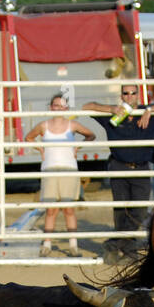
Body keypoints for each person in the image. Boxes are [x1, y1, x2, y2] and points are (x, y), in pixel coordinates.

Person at [83, 85, 154, 259]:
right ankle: (126, 249)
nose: (129, 96)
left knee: (139, 211)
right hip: (118, 166)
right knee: (121, 210)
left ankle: (116, 244)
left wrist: (149, 110)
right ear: (121, 96)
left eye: (133, 93)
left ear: (138, 95)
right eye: (126, 93)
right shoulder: (113, 114)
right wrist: (112, 109)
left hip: (141, 167)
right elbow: (87, 106)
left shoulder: (147, 112)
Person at [25, 92, 94, 256]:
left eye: (62, 106)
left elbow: (91, 135)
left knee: (69, 209)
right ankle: (47, 244)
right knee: (51, 210)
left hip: (69, 169)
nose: (59, 108)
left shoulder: (72, 125)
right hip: (49, 169)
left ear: (66, 108)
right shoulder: (44, 125)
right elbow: (29, 138)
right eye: (56, 105)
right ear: (51, 107)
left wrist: (78, 147)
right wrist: (40, 149)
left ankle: (73, 245)